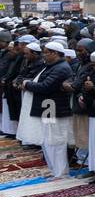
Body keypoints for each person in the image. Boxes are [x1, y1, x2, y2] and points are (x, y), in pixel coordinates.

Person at [24, 41, 73, 177]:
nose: (44, 55)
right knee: (47, 140)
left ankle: (61, 172)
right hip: (48, 106)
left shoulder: (61, 68)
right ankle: (54, 170)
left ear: (55, 53)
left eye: (46, 52)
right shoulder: (51, 66)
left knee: (55, 140)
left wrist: (27, 84)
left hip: (54, 107)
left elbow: (45, 86)